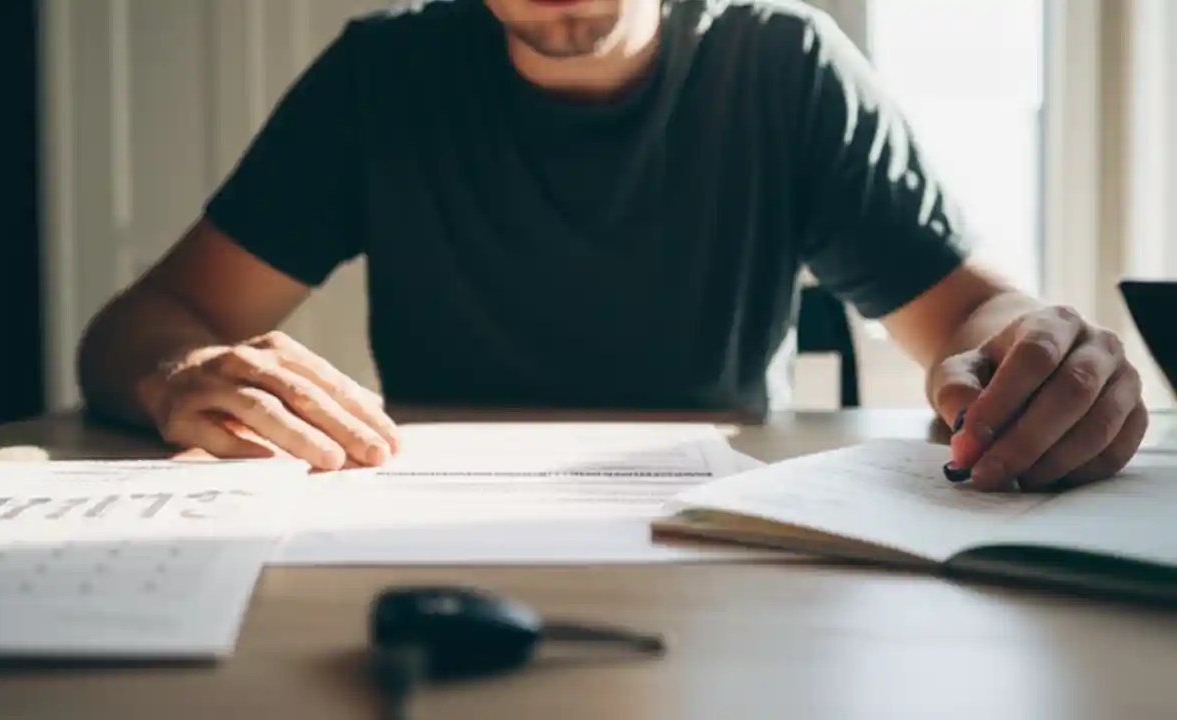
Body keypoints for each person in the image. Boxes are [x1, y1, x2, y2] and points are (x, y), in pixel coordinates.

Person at [78, 0, 1149, 491]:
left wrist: (1033, 349)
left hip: (715, 542)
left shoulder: (781, 65)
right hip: (413, 522)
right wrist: (179, 372)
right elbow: (141, 324)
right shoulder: (381, 77)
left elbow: (966, 314)